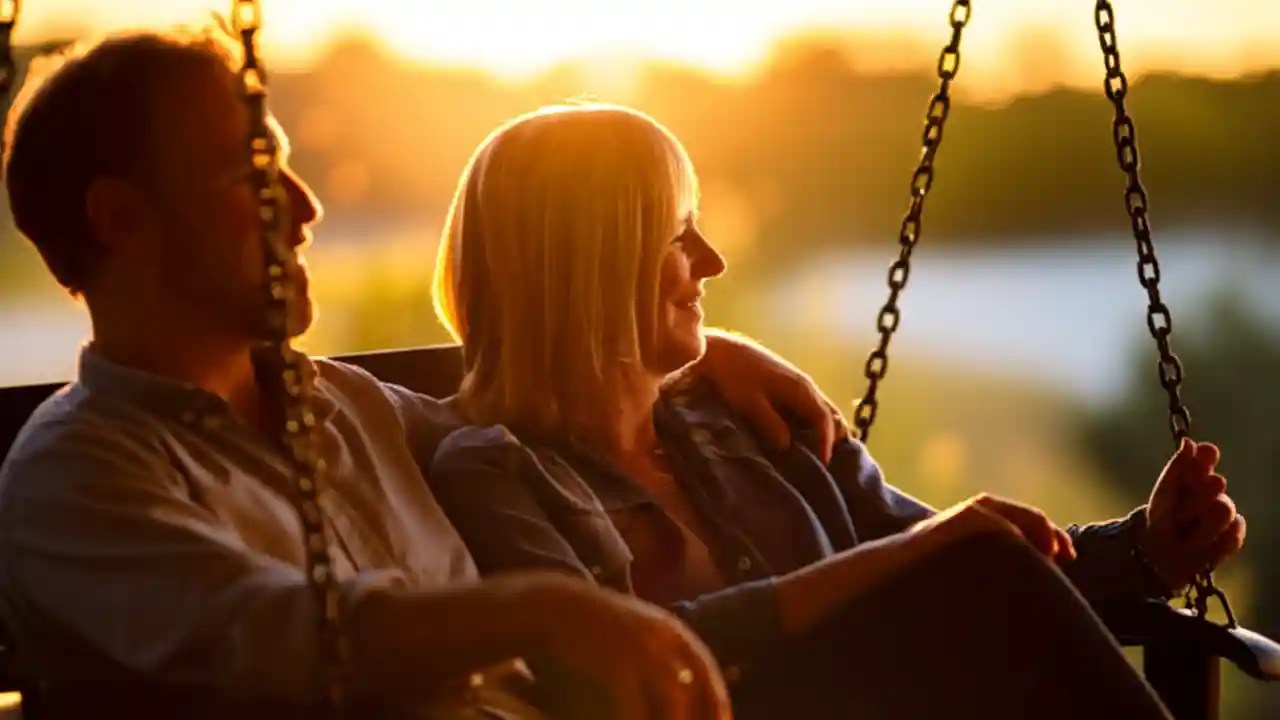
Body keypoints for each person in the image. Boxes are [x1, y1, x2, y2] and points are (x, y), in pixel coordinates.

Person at [0, 29, 847, 719]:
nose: (306, 209)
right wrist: (544, 613)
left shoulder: (352, 407)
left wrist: (696, 357)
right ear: (121, 220)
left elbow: (545, 396)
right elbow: (275, 633)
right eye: (250, 175)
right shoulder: (77, 477)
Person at [427, 103, 1249, 719]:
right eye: (677, 237)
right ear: (589, 268)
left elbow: (962, 571)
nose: (711, 262)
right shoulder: (491, 469)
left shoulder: (751, 420)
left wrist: (1142, 553)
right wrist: (931, 551)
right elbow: (608, 668)